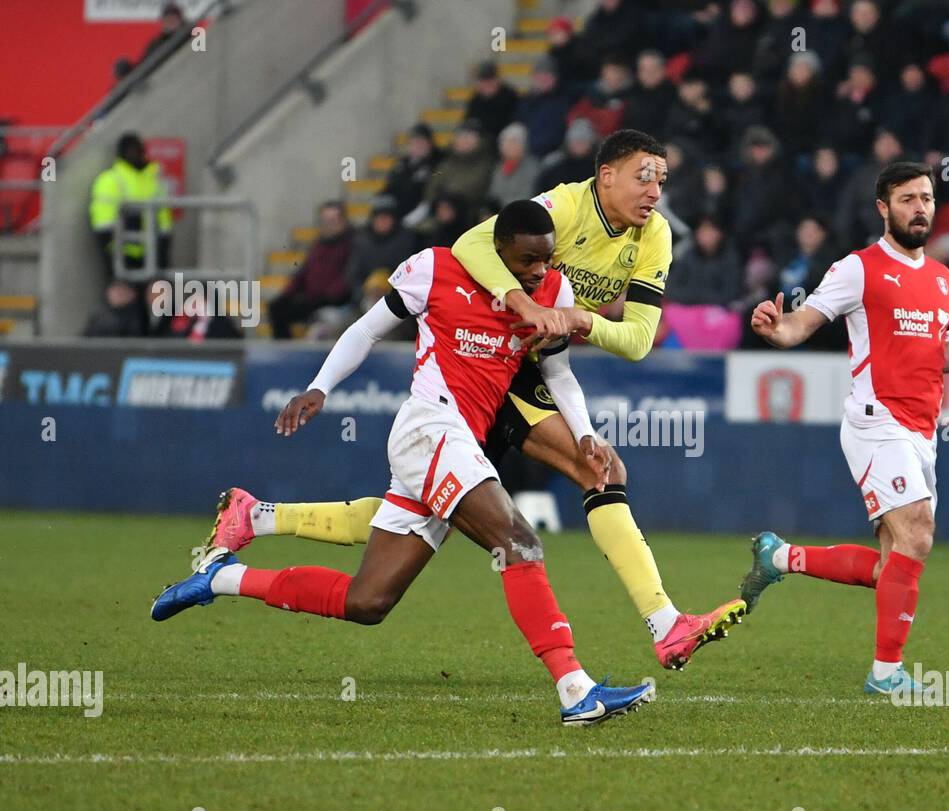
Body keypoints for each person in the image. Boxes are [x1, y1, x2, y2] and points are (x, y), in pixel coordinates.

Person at [213, 130, 745, 672]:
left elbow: (637, 339)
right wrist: (523, 304)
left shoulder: (653, 236)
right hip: (495, 367)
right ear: (606, 175)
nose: (655, 190)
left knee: (404, 539)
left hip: (537, 360)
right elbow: (471, 245)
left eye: (662, 178)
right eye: (643, 175)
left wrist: (576, 318)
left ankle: (256, 518)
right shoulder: (560, 207)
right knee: (596, 477)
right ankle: (648, 635)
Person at [152, 201, 654, 725]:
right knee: (519, 542)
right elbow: (367, 330)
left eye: (546, 260)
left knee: (368, 601)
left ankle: (219, 578)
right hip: (429, 429)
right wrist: (319, 388)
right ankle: (576, 689)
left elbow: (558, 375)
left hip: (461, 443)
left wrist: (586, 434)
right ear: (496, 249)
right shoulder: (438, 268)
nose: (538, 271)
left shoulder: (553, 294)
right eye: (527, 260)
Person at [738, 160, 949, 694]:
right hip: (875, 421)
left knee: (893, 567)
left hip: (922, 430)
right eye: (907, 199)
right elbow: (802, 324)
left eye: (927, 198)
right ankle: (886, 675)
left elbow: (935, 354)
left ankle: (780, 556)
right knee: (918, 533)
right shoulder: (858, 268)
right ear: (883, 207)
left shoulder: (942, 278)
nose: (920, 208)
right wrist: (776, 329)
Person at [89, 132, 172, 280]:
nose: (134, 154)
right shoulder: (110, 180)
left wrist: (163, 253)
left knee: (158, 296)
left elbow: (164, 222)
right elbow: (103, 227)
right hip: (121, 256)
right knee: (123, 298)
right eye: (130, 150)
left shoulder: (154, 178)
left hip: (153, 254)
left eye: (137, 149)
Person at [267, 201, 354, 339]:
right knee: (277, 308)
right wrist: (286, 294)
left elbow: (349, 278)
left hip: (335, 301)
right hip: (312, 299)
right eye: (324, 221)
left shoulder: (352, 245)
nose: (328, 225)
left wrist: (326, 296)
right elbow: (302, 274)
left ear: (343, 221)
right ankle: (286, 354)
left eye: (333, 220)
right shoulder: (318, 245)